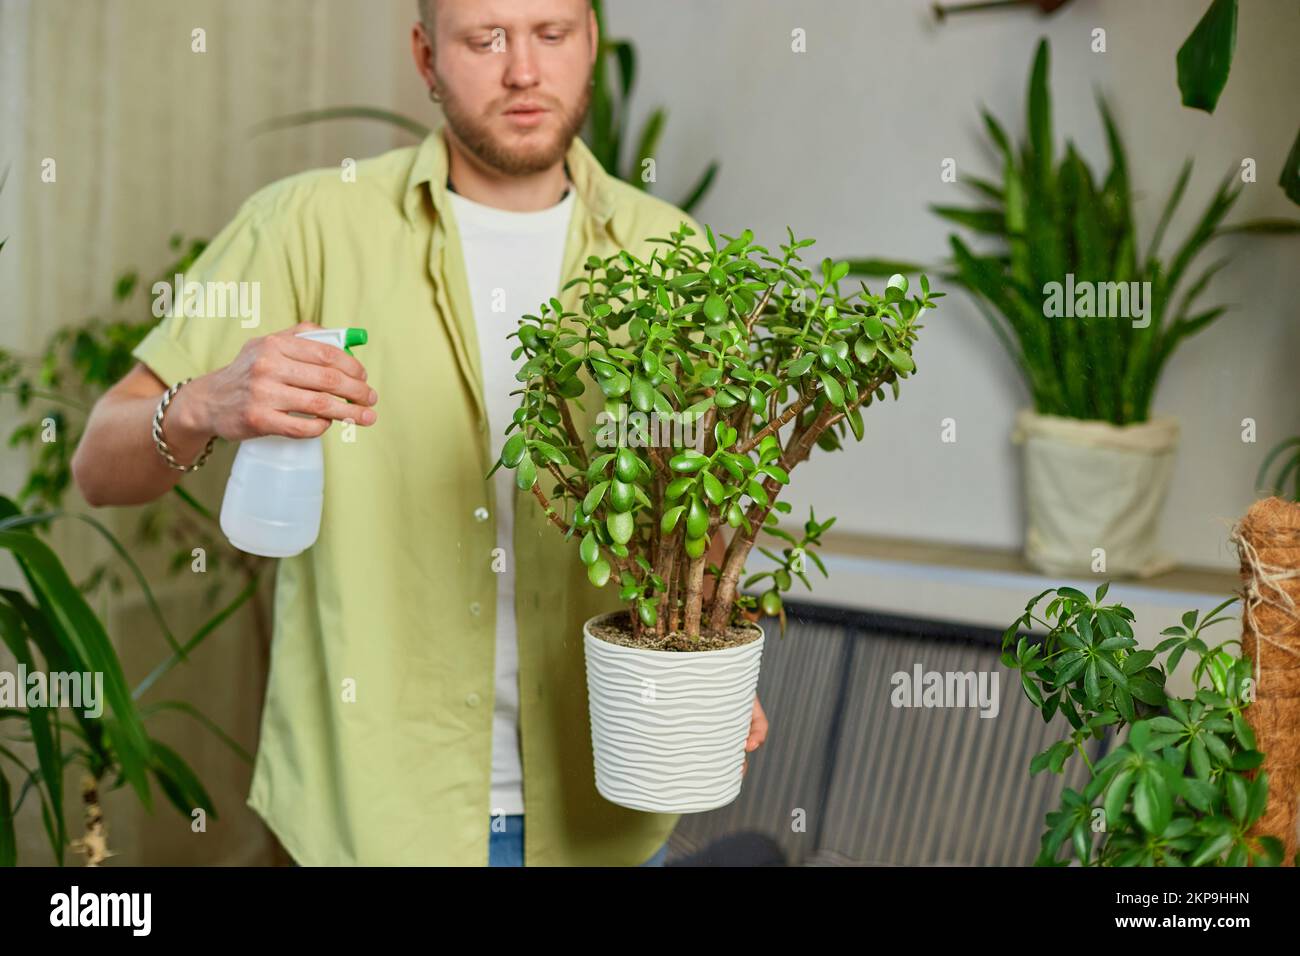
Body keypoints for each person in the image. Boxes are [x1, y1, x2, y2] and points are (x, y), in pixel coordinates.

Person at [71, 0, 767, 866]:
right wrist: (207, 401)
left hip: (609, 819)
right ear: (426, 55)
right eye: (486, 39)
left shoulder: (675, 253)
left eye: (552, 34)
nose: (523, 70)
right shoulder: (306, 225)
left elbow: (705, 508)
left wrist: (713, 652)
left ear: (591, 43)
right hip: (375, 824)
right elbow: (99, 461)